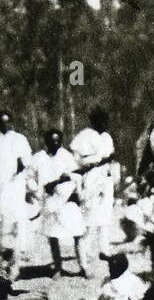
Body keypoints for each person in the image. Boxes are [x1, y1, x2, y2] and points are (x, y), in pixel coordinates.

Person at [29, 130, 86, 277]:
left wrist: (61, 180)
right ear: (46, 141)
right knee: (52, 235)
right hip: (49, 201)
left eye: (57, 141)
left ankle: (84, 267)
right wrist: (36, 191)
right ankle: (58, 267)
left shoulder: (66, 156)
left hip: (67, 199)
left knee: (77, 233)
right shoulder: (39, 158)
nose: (55, 144)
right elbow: (30, 178)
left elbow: (77, 174)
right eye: (51, 141)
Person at [0, 110, 33, 264]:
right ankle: (1, 248)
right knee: (0, 215)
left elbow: (26, 159)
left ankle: (21, 249)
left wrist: (21, 166)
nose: (4, 125)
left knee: (19, 216)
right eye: (1, 122)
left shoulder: (19, 139)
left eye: (7, 122)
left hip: (16, 184)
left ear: (11, 123)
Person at [69, 107, 117, 266]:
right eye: (100, 121)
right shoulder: (84, 136)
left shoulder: (107, 137)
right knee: (89, 217)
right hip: (90, 178)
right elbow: (77, 161)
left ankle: (104, 250)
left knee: (105, 217)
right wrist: (92, 162)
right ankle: (85, 255)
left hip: (105, 179)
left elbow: (110, 159)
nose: (104, 124)